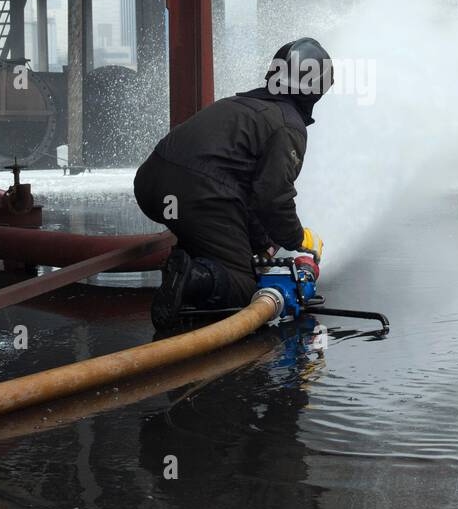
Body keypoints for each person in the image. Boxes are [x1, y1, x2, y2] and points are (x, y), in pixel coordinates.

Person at [134, 37, 331, 330]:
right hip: (198, 194)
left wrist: (263, 244)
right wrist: (296, 239)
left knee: (207, 237)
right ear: (317, 90)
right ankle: (192, 277)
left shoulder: (240, 104)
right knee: (242, 287)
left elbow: (246, 194)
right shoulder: (288, 125)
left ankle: (187, 268)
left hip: (152, 186)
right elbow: (271, 197)